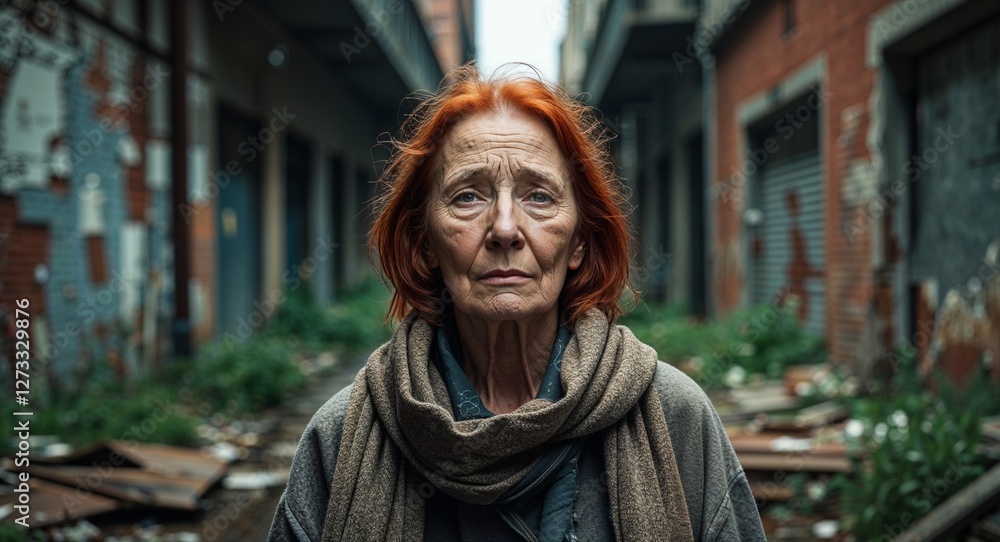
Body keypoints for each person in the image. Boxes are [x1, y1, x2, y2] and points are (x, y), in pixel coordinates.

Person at [267, 64, 766, 542]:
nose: (505, 228)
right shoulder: (341, 437)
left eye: (539, 197)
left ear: (578, 243)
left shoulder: (677, 419)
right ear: (424, 241)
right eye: (468, 196)